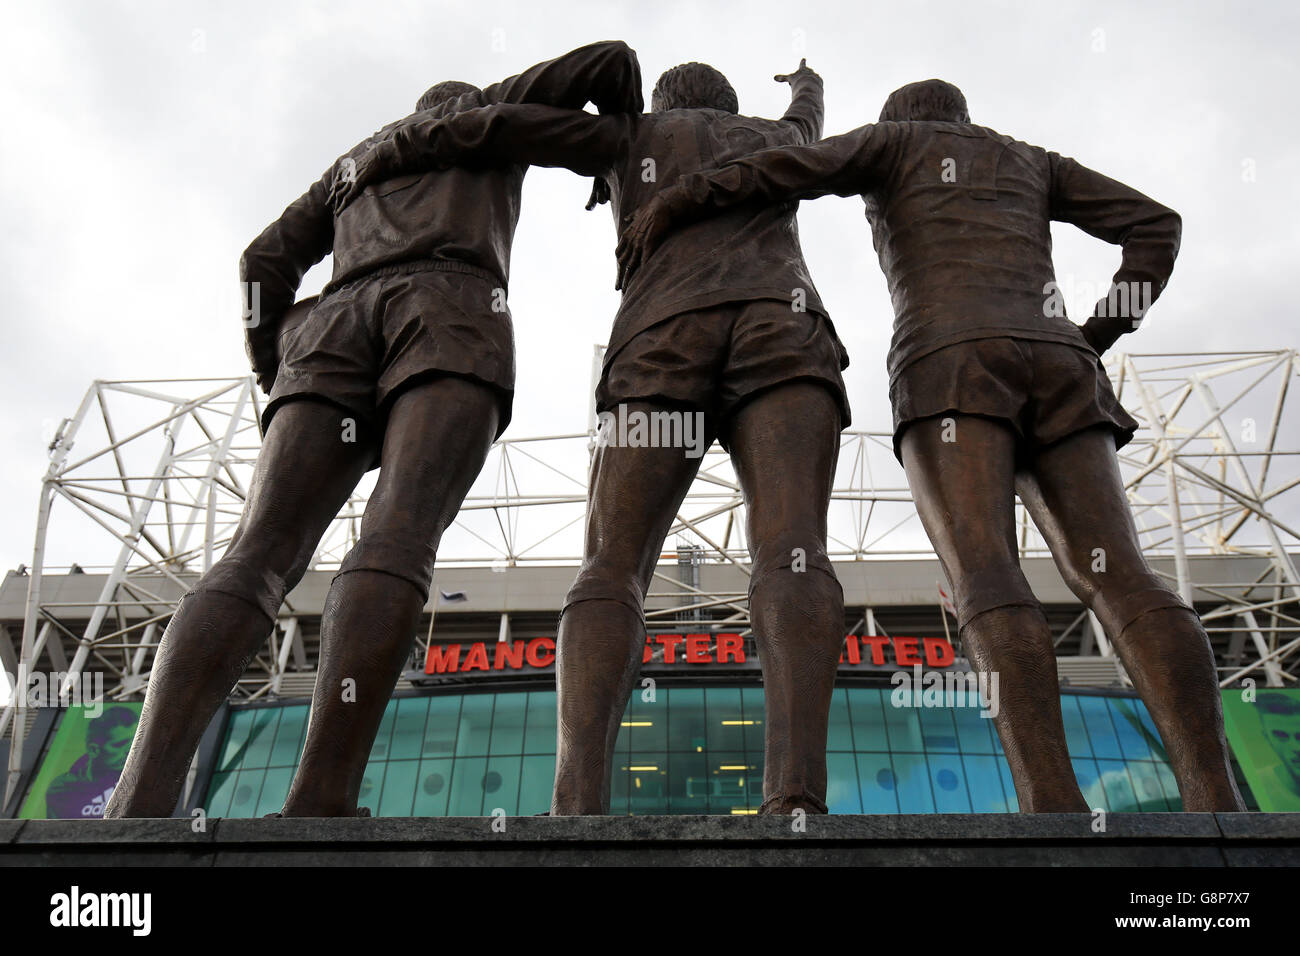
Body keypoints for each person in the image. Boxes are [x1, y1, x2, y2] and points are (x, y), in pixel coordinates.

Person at [617, 78, 1244, 812]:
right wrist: (1100, 330)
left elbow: (782, 167)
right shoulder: (1032, 161)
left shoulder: (892, 144)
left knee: (988, 576)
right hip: (1062, 364)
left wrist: (680, 197)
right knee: (1124, 576)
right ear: (966, 115)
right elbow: (1156, 224)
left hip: (950, 365)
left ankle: (1053, 804)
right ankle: (1216, 797)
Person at [104, 40, 643, 819]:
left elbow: (262, 260)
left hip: (332, 326)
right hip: (450, 312)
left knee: (256, 552)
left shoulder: (354, 162)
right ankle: (321, 792)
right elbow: (610, 61)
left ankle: (138, 795)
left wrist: (275, 357)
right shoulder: (493, 116)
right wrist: (612, 155)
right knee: (397, 534)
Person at [340, 59, 851, 815]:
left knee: (613, 564)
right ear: (729, 101)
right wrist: (805, 81)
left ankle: (577, 804)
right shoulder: (776, 133)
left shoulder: (628, 133)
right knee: (794, 545)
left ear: (663, 99)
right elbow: (811, 117)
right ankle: (797, 796)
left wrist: (395, 146)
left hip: (660, 335)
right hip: (785, 326)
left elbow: (499, 125)